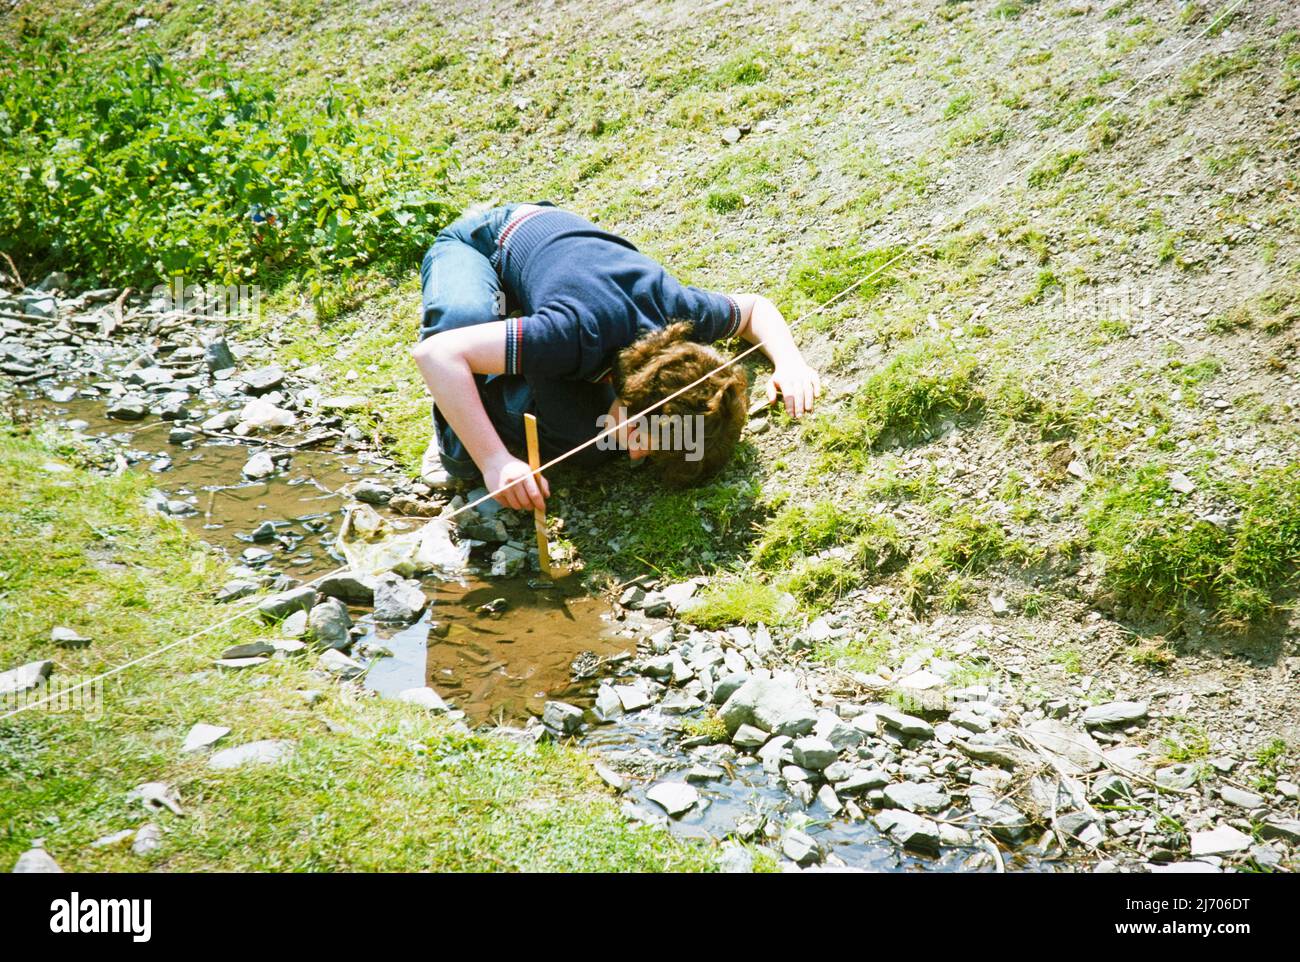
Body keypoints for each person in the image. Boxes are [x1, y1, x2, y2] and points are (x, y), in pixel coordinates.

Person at [411, 202, 820, 512]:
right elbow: (437, 355)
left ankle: (508, 344)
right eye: (647, 440)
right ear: (634, 397)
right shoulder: (575, 332)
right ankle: (450, 434)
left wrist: (789, 362)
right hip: (486, 247)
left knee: (589, 440)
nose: (637, 455)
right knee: (464, 325)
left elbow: (752, 310)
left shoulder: (682, 313)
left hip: (562, 280)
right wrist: (494, 460)